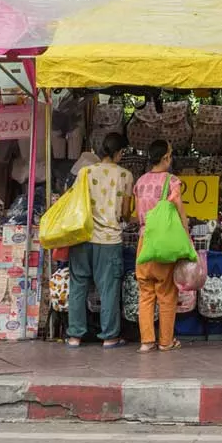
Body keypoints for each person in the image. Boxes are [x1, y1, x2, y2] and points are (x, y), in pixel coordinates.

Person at [67, 131, 133, 348]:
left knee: (78, 285)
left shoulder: (85, 172)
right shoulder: (125, 175)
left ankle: (75, 335)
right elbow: (124, 212)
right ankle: (109, 336)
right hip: (109, 240)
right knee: (109, 289)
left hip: (82, 236)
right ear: (118, 152)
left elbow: (74, 202)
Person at [132, 141, 187, 352]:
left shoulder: (140, 182)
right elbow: (180, 210)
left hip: (144, 242)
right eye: (170, 155)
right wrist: (186, 234)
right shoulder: (172, 182)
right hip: (164, 244)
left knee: (145, 292)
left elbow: (138, 216)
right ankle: (166, 341)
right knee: (166, 293)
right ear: (165, 158)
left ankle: (146, 342)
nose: (171, 159)